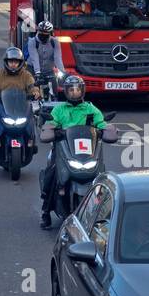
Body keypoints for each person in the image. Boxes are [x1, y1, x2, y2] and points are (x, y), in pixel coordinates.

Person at [37, 74, 111, 228]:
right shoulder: (60, 109)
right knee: (52, 173)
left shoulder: (91, 109)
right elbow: (51, 123)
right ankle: (45, 211)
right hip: (63, 149)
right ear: (66, 91)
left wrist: (107, 130)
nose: (74, 93)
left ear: (82, 91)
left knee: (102, 176)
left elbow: (101, 123)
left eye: (77, 90)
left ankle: (105, 212)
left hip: (86, 151)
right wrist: (50, 130)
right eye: (71, 90)